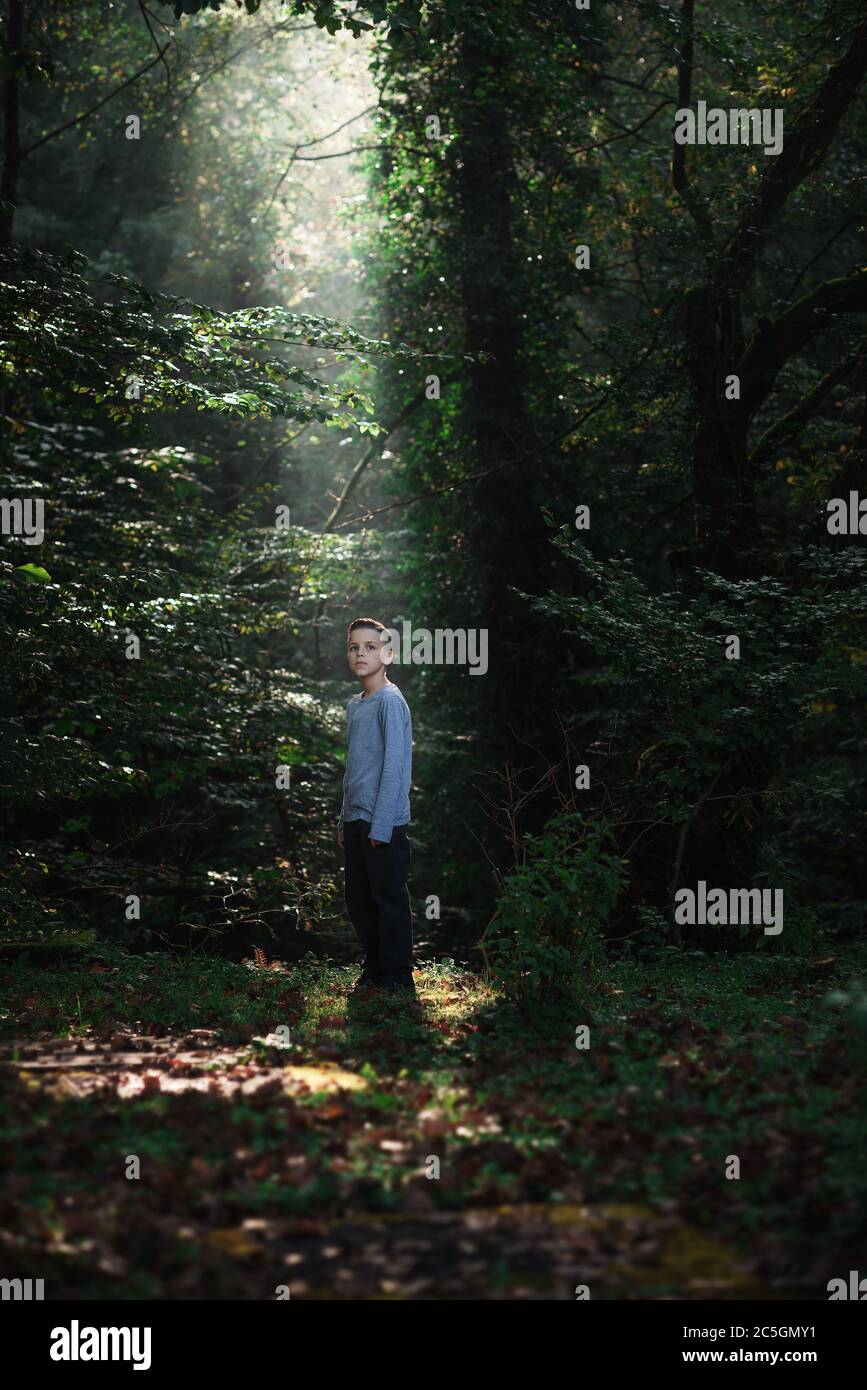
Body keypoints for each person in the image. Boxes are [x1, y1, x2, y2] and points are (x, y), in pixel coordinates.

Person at [338, 618, 414, 994]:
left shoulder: (390, 702)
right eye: (354, 647)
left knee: (389, 902)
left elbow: (395, 769)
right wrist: (344, 818)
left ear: (387, 654)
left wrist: (381, 826)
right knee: (359, 900)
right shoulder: (356, 705)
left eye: (369, 647)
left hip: (383, 824)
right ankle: (374, 968)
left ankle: (398, 977)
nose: (360, 653)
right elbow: (354, 767)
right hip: (355, 820)